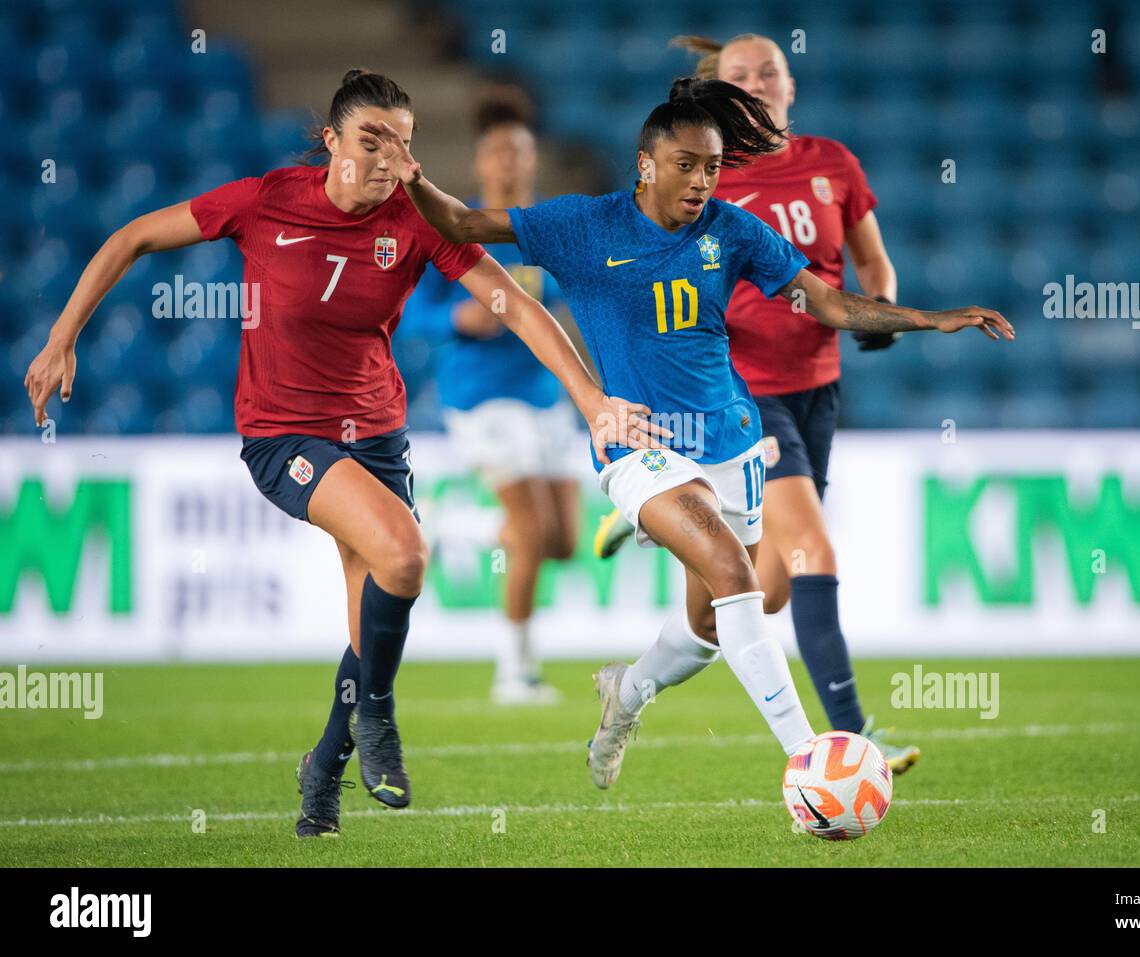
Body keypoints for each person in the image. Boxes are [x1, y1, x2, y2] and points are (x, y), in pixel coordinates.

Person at [22, 69, 664, 835]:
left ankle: (322, 771)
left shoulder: (417, 219)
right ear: (331, 142)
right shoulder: (266, 200)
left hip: (376, 436)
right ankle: (381, 723)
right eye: (372, 139)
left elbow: (515, 304)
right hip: (284, 433)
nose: (390, 156)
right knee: (404, 556)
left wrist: (592, 401)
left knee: (370, 621)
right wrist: (62, 337)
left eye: (404, 141)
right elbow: (131, 237)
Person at [358, 77, 1013, 790]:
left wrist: (927, 318)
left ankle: (627, 694)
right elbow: (460, 225)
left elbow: (824, 301)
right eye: (686, 165)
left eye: (712, 166)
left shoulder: (730, 231)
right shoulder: (583, 226)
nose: (702, 180)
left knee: (710, 622)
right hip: (637, 443)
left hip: (731, 441)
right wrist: (415, 180)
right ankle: (812, 763)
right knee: (735, 573)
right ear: (646, 164)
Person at [642, 32, 915, 772]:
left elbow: (872, 260)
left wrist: (881, 307)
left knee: (761, 588)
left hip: (817, 387)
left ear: (791, 86)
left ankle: (636, 668)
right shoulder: (709, 178)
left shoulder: (834, 164)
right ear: (722, 94)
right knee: (814, 548)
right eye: (741, 76)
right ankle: (856, 740)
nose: (758, 82)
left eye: (771, 71)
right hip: (743, 395)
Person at [400, 86, 579, 705]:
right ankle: (515, 672)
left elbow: (556, 312)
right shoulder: (453, 226)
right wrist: (457, 322)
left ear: (532, 161)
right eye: (497, 150)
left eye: (519, 150)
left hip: (542, 399)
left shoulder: (544, 234)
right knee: (531, 533)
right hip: (480, 398)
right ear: (480, 163)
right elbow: (409, 315)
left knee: (563, 542)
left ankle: (463, 528)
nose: (508, 160)